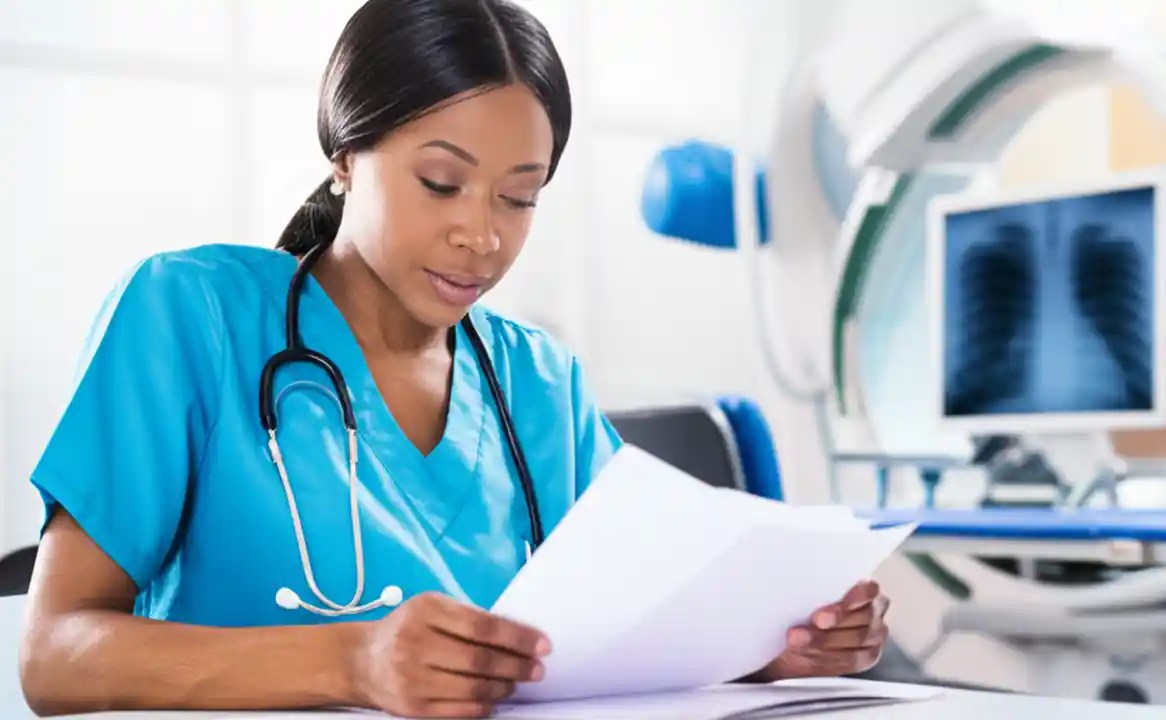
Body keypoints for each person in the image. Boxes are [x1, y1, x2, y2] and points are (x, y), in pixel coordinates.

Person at [17, 0, 891, 717]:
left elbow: (633, 637)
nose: (483, 236)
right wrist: (353, 660)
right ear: (346, 157)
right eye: (441, 183)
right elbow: (54, 657)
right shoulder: (192, 315)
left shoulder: (538, 383)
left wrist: (772, 651)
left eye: (520, 197)